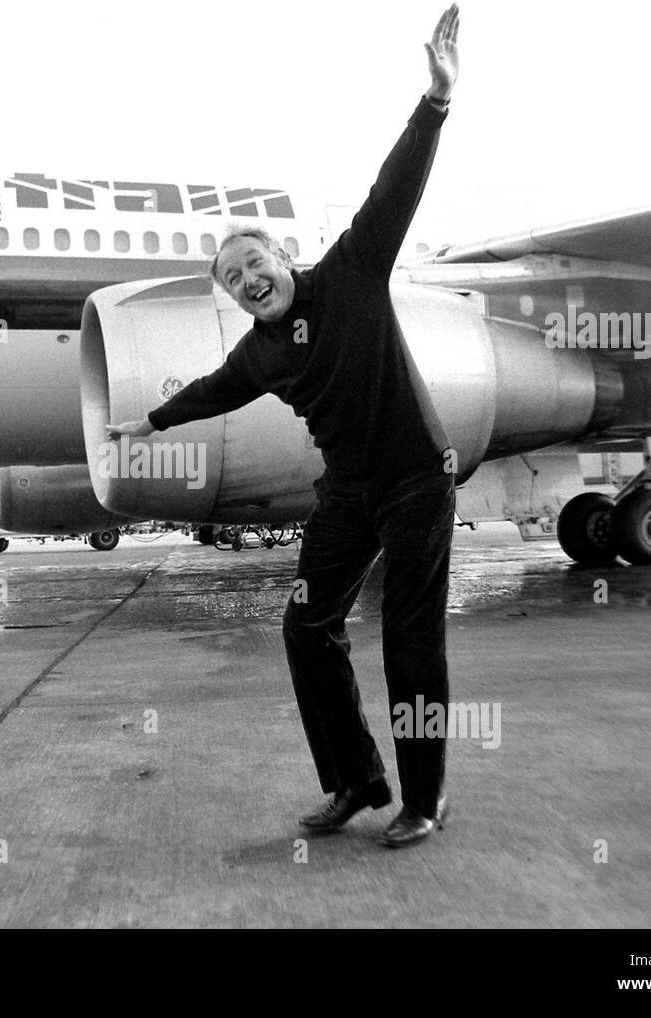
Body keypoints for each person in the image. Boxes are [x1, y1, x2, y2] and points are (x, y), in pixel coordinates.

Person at [107, 6, 460, 848]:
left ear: (279, 256)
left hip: (417, 481)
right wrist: (148, 422)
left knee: (409, 640)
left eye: (252, 263)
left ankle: (424, 798)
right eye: (232, 280)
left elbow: (393, 190)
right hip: (348, 495)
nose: (247, 281)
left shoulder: (352, 273)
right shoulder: (260, 353)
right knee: (306, 627)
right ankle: (355, 781)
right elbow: (212, 391)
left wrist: (435, 102)